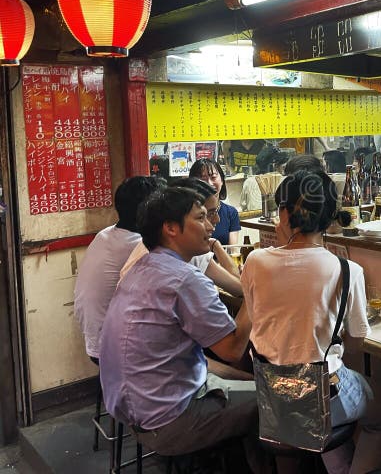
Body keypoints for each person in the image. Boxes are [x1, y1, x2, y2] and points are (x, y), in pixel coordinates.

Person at [99, 187, 265, 471]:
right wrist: (255, 283)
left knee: (251, 383)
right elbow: (234, 349)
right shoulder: (183, 279)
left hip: (134, 412)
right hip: (168, 420)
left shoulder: (144, 266)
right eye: (201, 218)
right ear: (171, 228)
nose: (212, 226)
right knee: (272, 402)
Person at [241, 170, 372, 473]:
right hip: (323, 398)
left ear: (284, 214)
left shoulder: (255, 262)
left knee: (307, 415)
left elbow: (258, 318)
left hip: (274, 398)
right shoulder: (348, 270)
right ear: (329, 217)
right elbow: (356, 341)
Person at [74, 176, 166, 360]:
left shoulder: (105, 234)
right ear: (151, 211)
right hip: (115, 348)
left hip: (95, 339)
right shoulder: (139, 245)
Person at [120, 177, 242, 298]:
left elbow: (239, 288)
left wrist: (215, 245)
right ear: (172, 225)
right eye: (203, 216)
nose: (216, 221)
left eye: (216, 212)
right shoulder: (166, 268)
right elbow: (242, 291)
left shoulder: (181, 249)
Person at [189, 158, 240, 245]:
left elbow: (233, 250)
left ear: (222, 180)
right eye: (203, 179)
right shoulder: (189, 211)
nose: (209, 183)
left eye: (213, 177)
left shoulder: (231, 213)